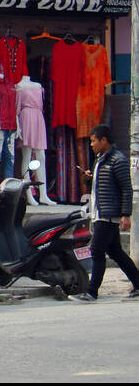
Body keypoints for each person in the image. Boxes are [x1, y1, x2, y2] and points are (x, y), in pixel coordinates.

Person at [71, 124, 139, 302]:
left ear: (104, 140)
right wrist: (89, 179)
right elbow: (100, 185)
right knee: (116, 252)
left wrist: (126, 214)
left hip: (109, 214)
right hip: (100, 211)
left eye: (94, 141)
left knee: (96, 250)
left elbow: (126, 189)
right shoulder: (101, 159)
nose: (91, 145)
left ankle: (92, 292)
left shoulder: (118, 160)